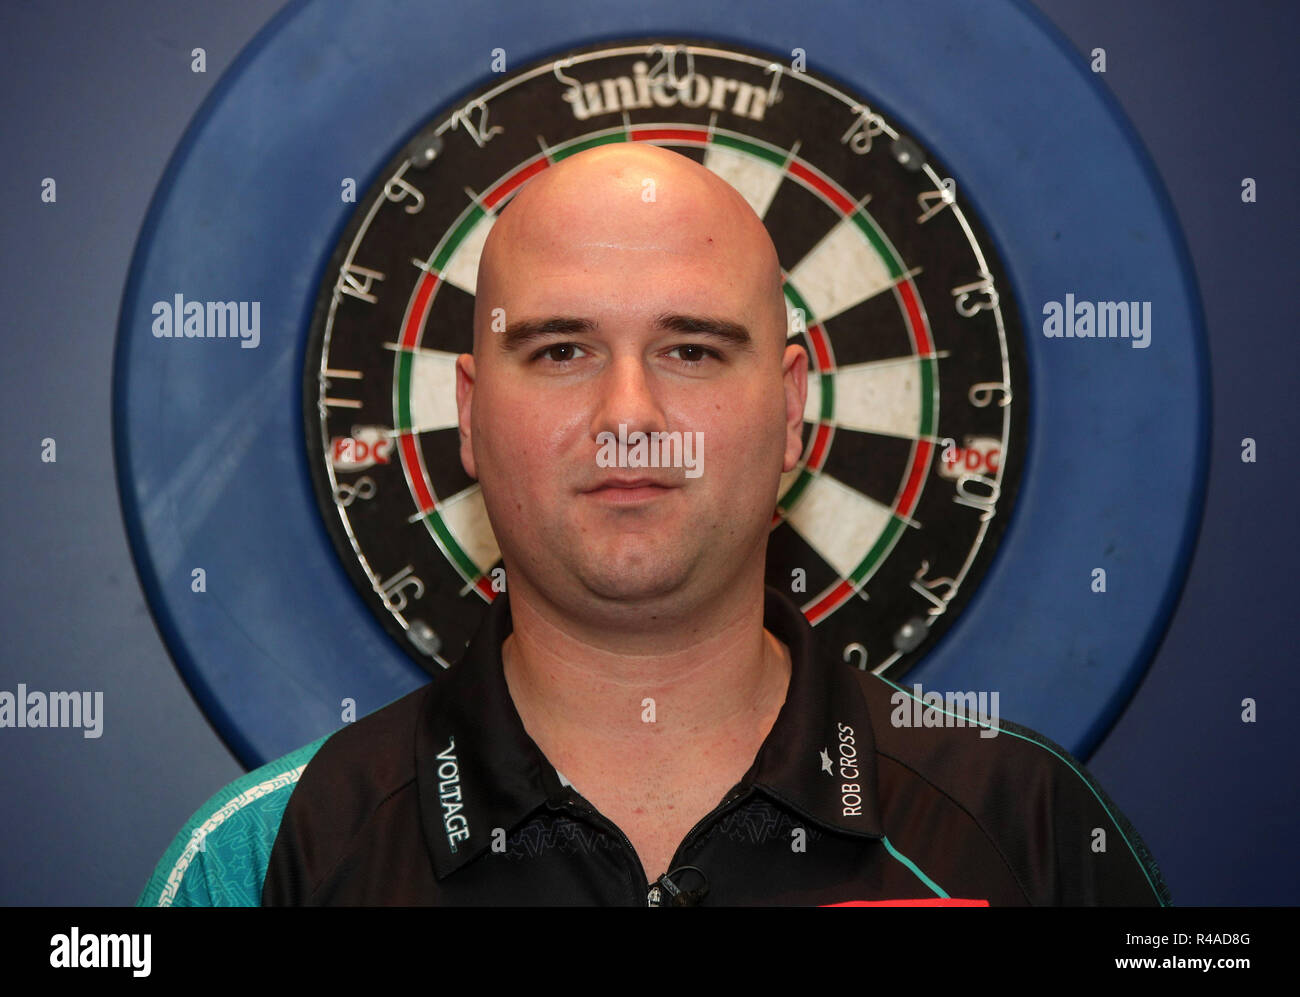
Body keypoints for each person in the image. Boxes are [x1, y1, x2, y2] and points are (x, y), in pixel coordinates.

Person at [139, 143, 1169, 907]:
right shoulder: (263, 859)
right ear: (469, 414)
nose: (627, 416)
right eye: (558, 351)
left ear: (791, 410)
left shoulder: (1029, 827)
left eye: (692, 350)